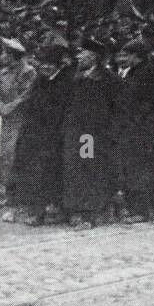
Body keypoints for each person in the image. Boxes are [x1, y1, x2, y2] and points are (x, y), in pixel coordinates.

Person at [112, 38, 154, 223]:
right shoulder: (132, 73)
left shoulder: (151, 74)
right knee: (134, 169)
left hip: (149, 128)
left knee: (148, 170)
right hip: (132, 128)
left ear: (138, 56)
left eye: (129, 55)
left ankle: (151, 209)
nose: (125, 58)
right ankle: (141, 209)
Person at [6, 43, 72, 225]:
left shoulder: (67, 82)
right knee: (33, 172)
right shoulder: (40, 80)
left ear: (58, 65)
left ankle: (54, 209)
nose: (44, 67)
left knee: (52, 173)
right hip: (35, 133)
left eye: (49, 64)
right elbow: (30, 103)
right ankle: (36, 210)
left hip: (55, 135)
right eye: (42, 63)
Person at [60, 38, 116, 228]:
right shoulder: (76, 77)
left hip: (91, 134)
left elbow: (114, 108)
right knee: (74, 169)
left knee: (88, 169)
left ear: (93, 57)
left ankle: (89, 214)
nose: (78, 56)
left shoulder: (107, 79)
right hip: (75, 132)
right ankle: (76, 210)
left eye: (82, 53)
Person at [0, 39, 36, 201]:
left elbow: (26, 96)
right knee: (5, 154)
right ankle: (3, 190)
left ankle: (18, 192)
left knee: (16, 153)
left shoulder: (28, 72)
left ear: (13, 55)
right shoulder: (3, 73)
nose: (2, 56)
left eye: (5, 53)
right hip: (7, 120)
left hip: (22, 119)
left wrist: (9, 107)